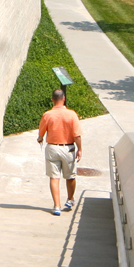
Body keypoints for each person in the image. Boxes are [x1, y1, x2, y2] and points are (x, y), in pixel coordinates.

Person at [36, 88, 82, 216]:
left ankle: (56, 206)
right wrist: (80, 149)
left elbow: (41, 134)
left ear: (52, 100)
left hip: (52, 148)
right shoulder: (72, 114)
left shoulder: (47, 115)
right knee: (70, 176)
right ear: (64, 99)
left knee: (54, 177)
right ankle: (70, 199)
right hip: (68, 148)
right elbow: (77, 135)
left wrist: (40, 138)